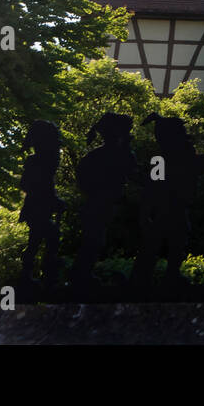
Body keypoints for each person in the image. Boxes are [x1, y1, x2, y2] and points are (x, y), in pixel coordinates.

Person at [132, 111, 204, 291]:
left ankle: (161, 278)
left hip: (173, 210)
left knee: (173, 244)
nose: (188, 139)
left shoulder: (172, 160)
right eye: (182, 135)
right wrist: (146, 213)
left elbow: (152, 188)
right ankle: (145, 280)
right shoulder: (167, 161)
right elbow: (152, 188)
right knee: (158, 245)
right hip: (166, 211)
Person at [71, 111, 138, 295]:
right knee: (95, 241)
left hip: (101, 204)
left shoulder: (100, 155)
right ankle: (81, 276)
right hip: (100, 205)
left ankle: (82, 275)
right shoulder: (116, 155)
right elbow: (135, 174)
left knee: (95, 240)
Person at [19, 120, 64, 293]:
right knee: (43, 238)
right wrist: (48, 198)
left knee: (41, 239)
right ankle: (36, 274)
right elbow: (28, 184)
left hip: (42, 208)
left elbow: (47, 186)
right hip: (35, 209)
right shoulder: (36, 163)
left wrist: (54, 200)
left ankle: (42, 273)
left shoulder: (45, 164)